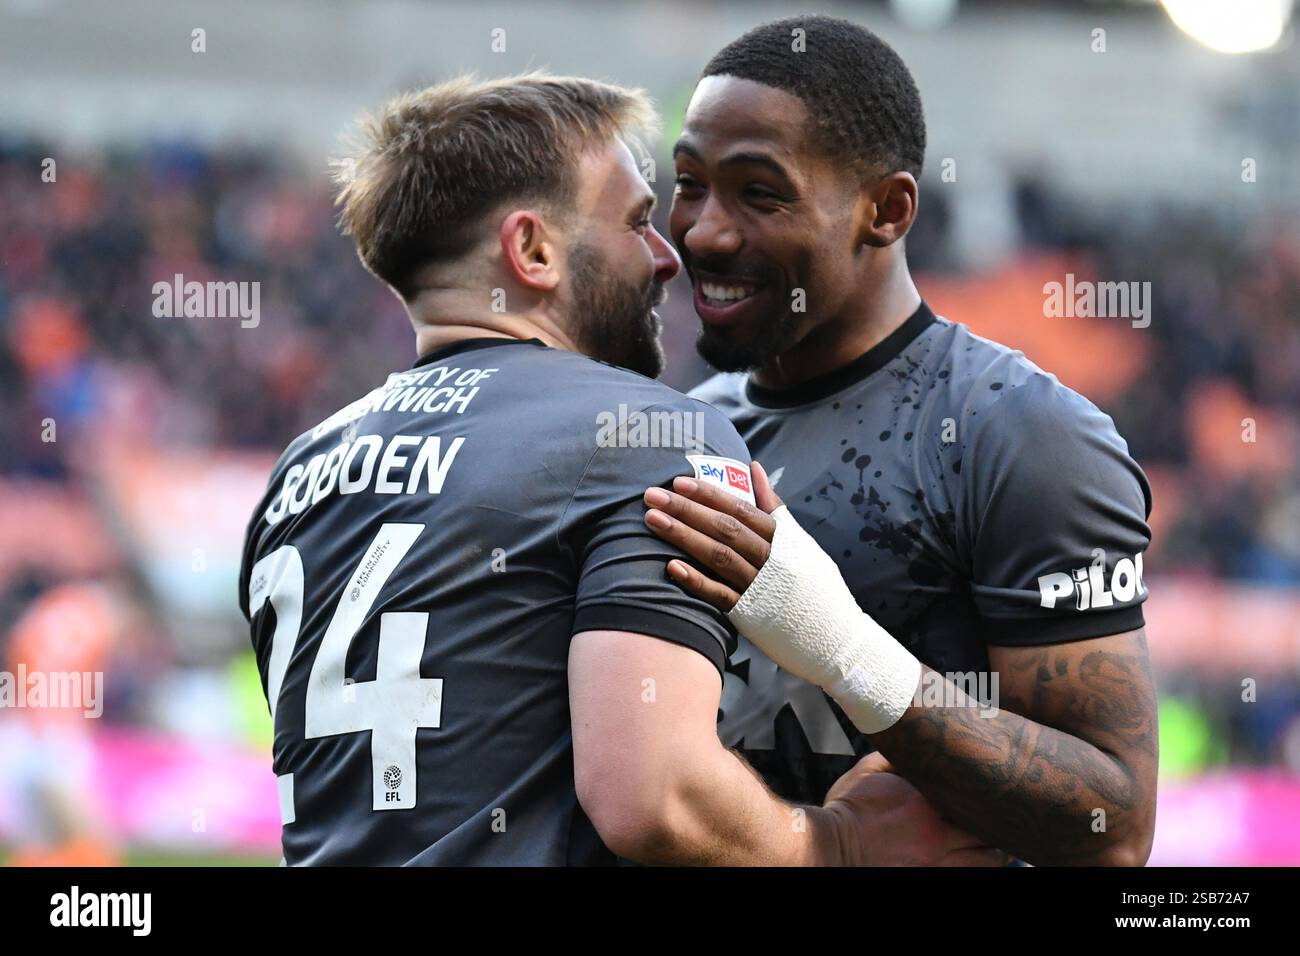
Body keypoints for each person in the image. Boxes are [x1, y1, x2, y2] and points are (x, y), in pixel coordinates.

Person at [238, 72, 996, 865]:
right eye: (636, 222)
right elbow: (652, 797)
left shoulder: (302, 470)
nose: (669, 256)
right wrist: (834, 844)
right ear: (532, 250)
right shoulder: (648, 431)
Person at [642, 16, 1159, 866]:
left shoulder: (1021, 435)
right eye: (690, 183)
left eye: (759, 193)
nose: (703, 231)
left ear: (886, 210)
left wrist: (843, 649)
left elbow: (1116, 826)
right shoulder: (685, 429)